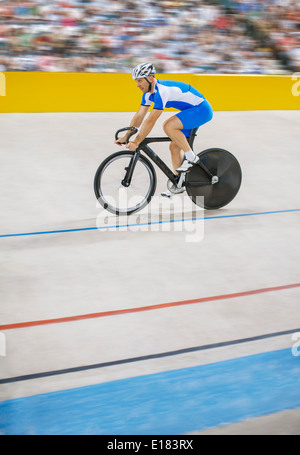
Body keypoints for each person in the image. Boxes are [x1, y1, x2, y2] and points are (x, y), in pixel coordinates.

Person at [115, 62, 213, 195]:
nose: (137, 85)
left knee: (168, 125)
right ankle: (179, 183)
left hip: (201, 109)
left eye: (139, 81)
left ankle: (191, 157)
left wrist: (137, 141)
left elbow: (151, 120)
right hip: (190, 111)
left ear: (150, 78)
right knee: (174, 147)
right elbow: (140, 115)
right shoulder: (148, 93)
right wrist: (127, 136)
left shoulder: (161, 91)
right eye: (136, 82)